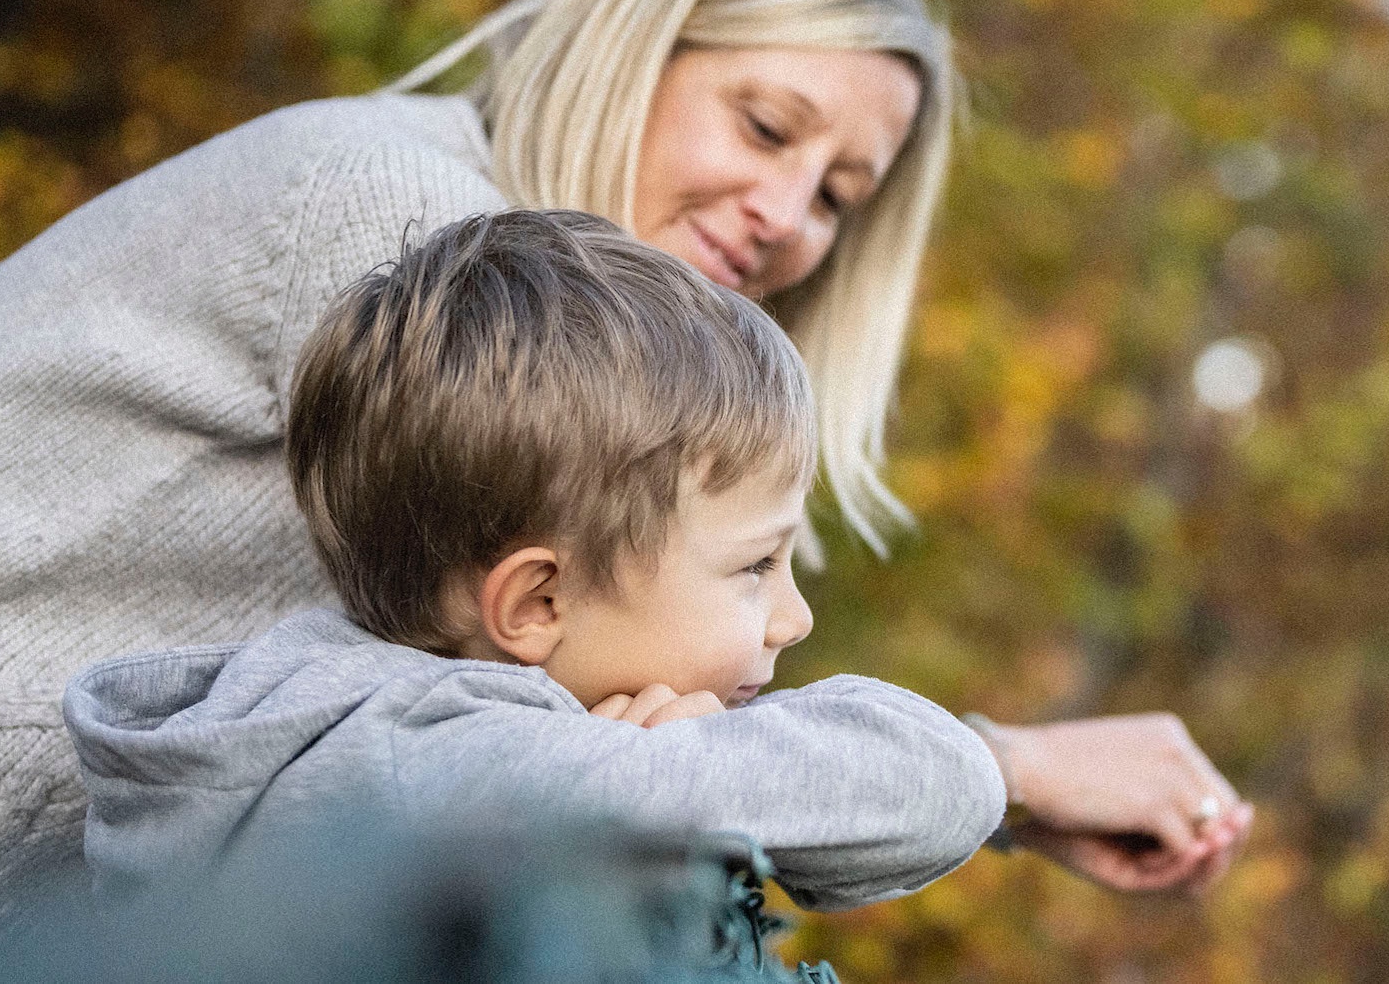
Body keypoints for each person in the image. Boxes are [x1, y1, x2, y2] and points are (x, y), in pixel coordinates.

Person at [0, 0, 1249, 930]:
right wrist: (1008, 771)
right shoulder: (419, 241)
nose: (789, 215)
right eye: (762, 125)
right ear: (634, 49)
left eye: (839, 193)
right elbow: (608, 770)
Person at [66, 210, 1002, 910]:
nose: (792, 619)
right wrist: (670, 761)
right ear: (537, 603)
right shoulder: (460, 772)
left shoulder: (331, 710)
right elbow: (943, 787)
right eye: (755, 567)